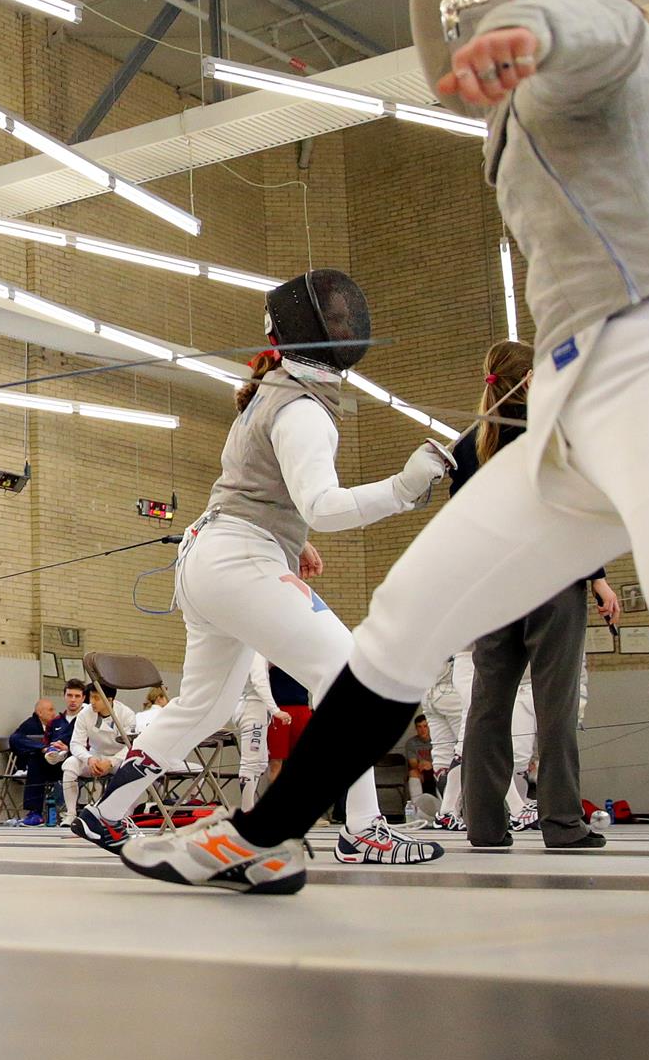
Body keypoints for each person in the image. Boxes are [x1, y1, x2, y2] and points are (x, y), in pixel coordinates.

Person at [137, 0, 649, 894]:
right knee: (402, 623)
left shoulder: (608, 34)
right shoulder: (590, 116)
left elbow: (597, 29)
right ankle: (263, 833)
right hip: (575, 408)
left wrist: (531, 29)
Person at [70, 266, 451, 866]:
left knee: (205, 705)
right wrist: (403, 490)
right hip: (235, 559)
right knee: (351, 674)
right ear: (318, 329)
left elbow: (263, 493)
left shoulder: (272, 393)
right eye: (338, 316)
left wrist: (290, 541)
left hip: (208, 559)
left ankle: (107, 811)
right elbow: (322, 506)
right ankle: (362, 829)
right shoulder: (302, 408)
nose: (347, 322)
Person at [447, 341, 611, 852]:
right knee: (555, 707)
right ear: (531, 380)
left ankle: (483, 825)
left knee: (487, 707)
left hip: (493, 587)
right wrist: (598, 577)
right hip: (552, 582)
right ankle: (562, 824)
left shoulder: (468, 446)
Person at [63, 679, 135, 823]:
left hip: (119, 758)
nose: (92, 702)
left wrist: (111, 762)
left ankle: (124, 816)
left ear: (109, 700)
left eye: (96, 698)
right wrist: (89, 759)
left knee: (133, 769)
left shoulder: (127, 714)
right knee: (70, 764)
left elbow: (130, 746)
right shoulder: (84, 714)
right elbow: (76, 743)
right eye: (91, 697)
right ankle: (71, 814)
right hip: (95, 757)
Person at [421, 651, 471, 830]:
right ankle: (449, 812)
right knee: (469, 748)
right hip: (451, 689)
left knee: (442, 755)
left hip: (428, 692)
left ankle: (448, 813)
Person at [234, 658, 288, 812]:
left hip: (251, 708)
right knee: (250, 764)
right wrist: (276, 710)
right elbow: (259, 682)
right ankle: (247, 811)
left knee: (261, 763)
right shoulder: (256, 653)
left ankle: (249, 808)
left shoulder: (252, 654)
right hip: (252, 710)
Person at [9, 696, 72, 825]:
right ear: (40, 712)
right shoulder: (31, 725)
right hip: (42, 761)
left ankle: (65, 812)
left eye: (53, 709)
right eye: (50, 710)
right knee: (31, 754)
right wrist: (43, 748)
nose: (53, 713)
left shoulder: (63, 723)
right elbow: (16, 740)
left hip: (64, 762)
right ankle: (34, 813)